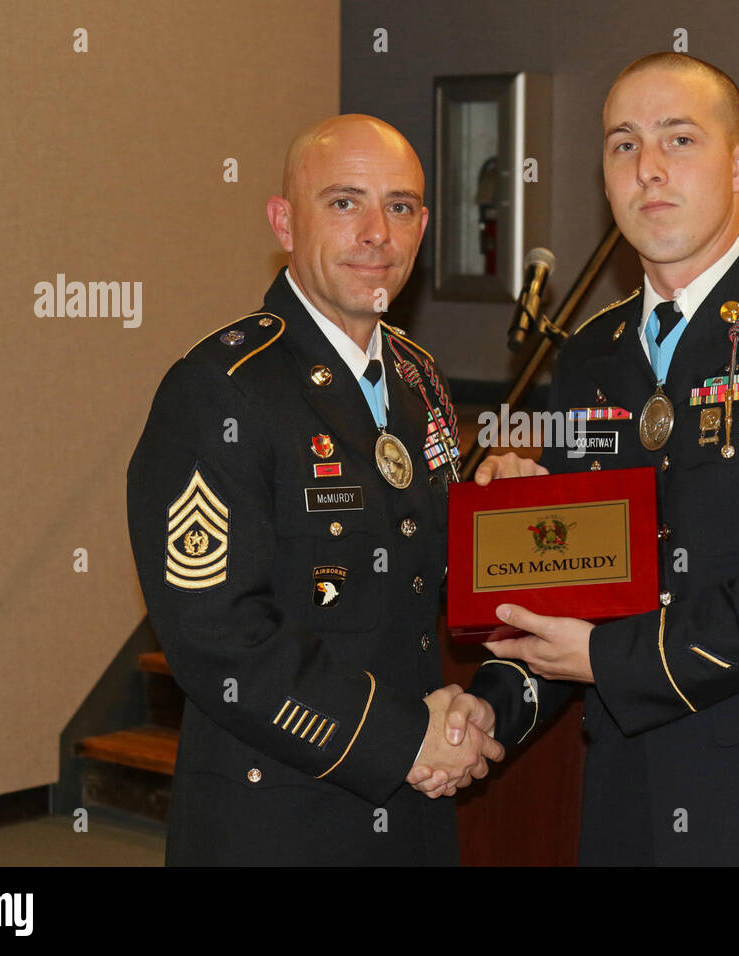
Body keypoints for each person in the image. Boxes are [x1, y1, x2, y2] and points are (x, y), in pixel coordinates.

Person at [420, 53, 739, 865]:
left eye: (679, 139)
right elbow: (581, 592)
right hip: (629, 786)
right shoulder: (593, 353)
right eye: (623, 145)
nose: (648, 168)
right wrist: (493, 702)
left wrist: (607, 657)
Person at [126, 115, 501, 866]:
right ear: (283, 222)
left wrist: (503, 519)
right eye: (343, 203)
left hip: (414, 802)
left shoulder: (418, 379)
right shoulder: (220, 389)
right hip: (278, 813)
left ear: (424, 226)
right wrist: (399, 739)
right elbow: (216, 635)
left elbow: (435, 574)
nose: (376, 234)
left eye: (399, 207)